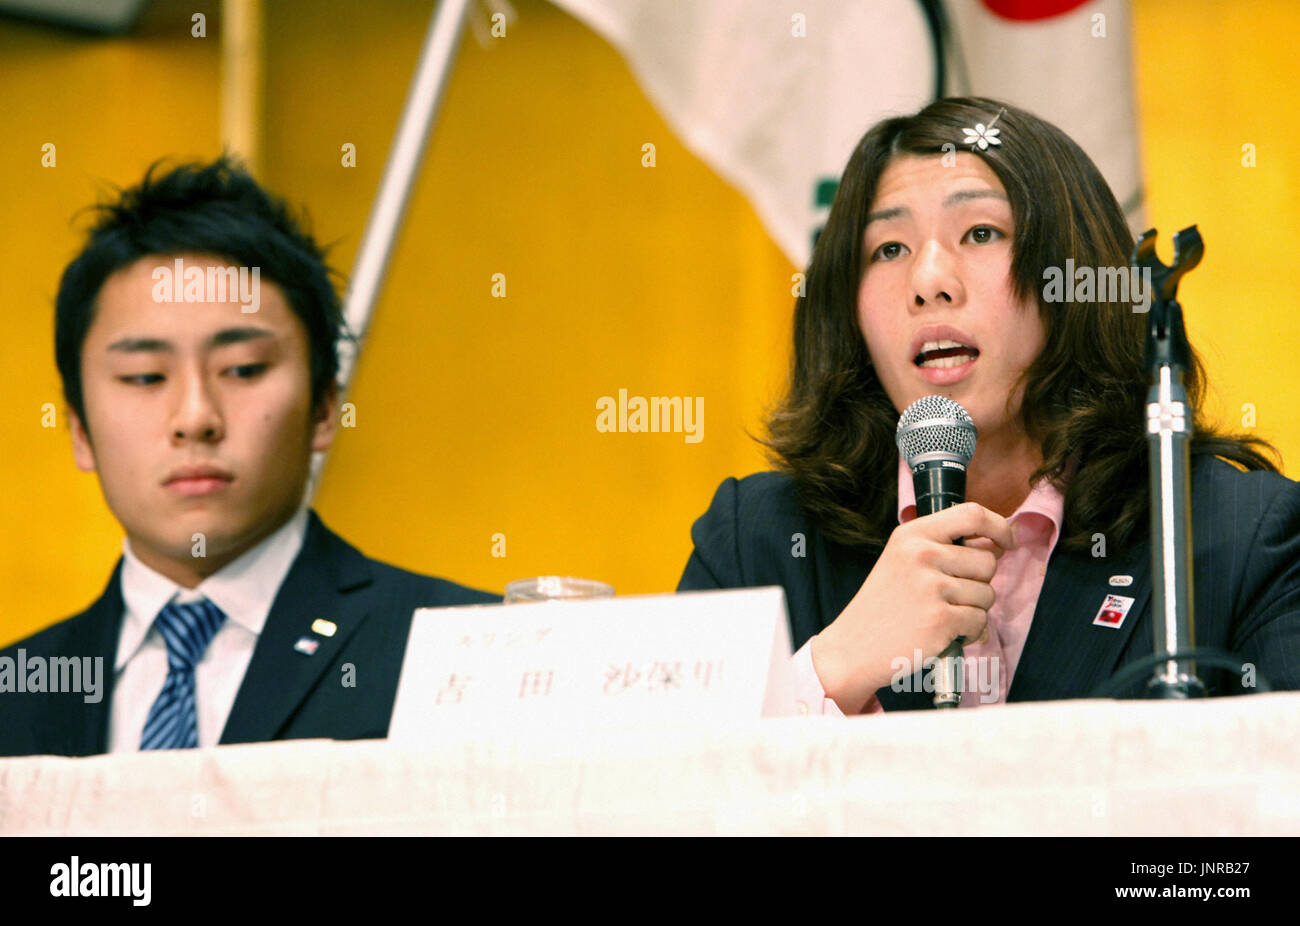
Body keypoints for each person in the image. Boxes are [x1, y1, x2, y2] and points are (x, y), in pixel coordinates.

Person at [678, 97, 1300, 714]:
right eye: (889, 249)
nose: (928, 281)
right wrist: (831, 669)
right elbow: (655, 793)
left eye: (980, 233)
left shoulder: (1236, 540)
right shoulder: (756, 541)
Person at [0, 155, 495, 757]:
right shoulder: (17, 690)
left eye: (243, 369)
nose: (195, 419)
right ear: (80, 428)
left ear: (323, 407)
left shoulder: (466, 654)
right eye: (144, 376)